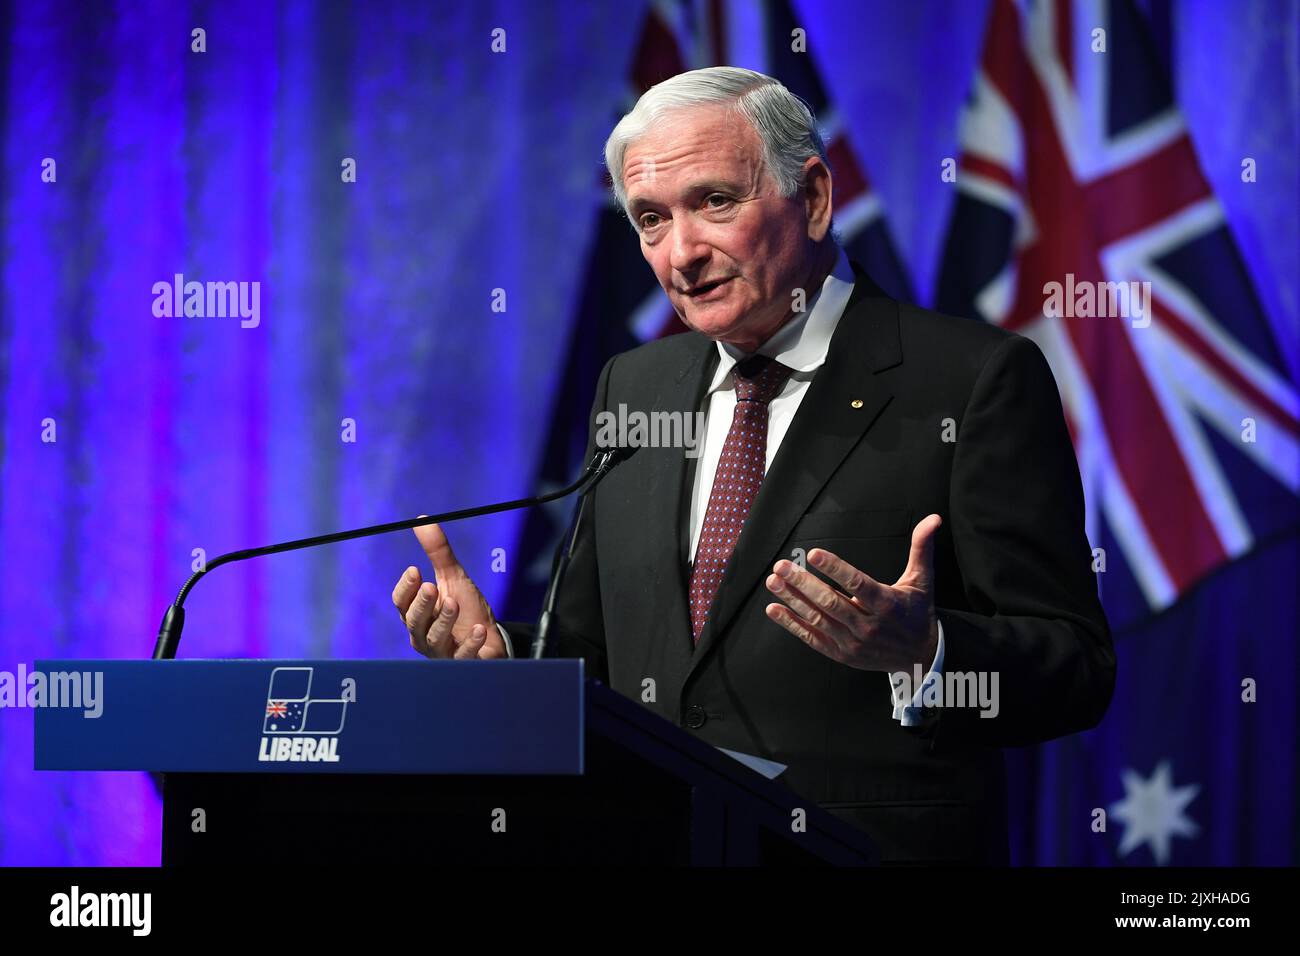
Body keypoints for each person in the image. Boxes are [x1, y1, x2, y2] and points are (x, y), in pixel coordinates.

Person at [391, 66, 1115, 864]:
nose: (682, 254)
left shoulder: (969, 380)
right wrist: (507, 655)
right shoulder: (636, 388)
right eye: (650, 220)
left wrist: (925, 652)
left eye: (714, 202)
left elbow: (1076, 667)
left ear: (812, 198)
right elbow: (607, 659)